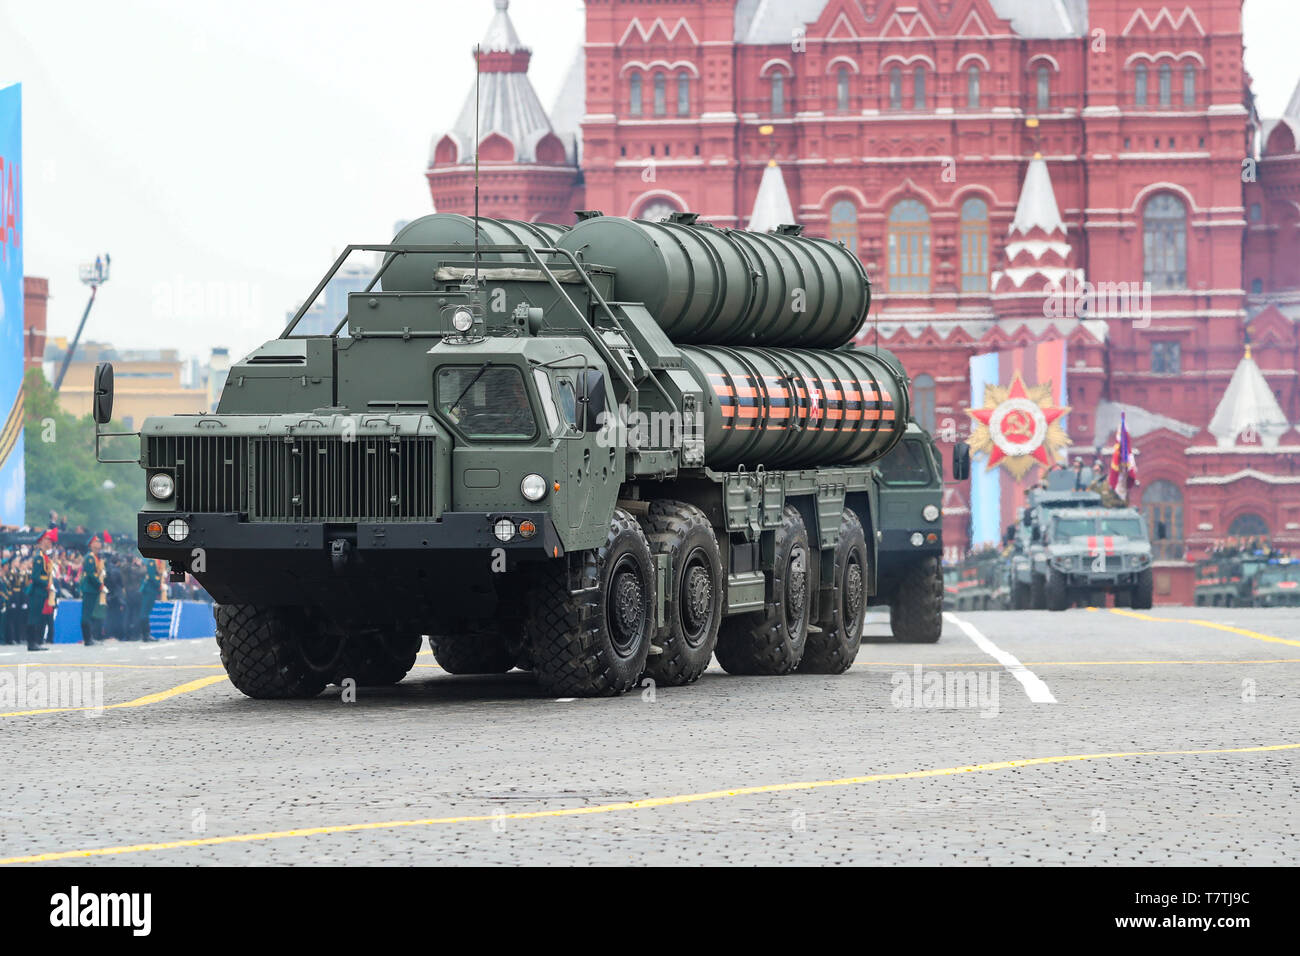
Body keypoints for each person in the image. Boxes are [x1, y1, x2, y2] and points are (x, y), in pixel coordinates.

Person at [25, 529, 57, 651]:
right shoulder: (39, 557)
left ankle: (35, 642)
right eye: (48, 539)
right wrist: (46, 584)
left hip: (42, 591)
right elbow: (35, 576)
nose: (50, 542)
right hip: (37, 591)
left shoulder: (44, 556)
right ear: (42, 541)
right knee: (34, 617)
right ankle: (31, 643)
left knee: (37, 617)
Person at [80, 535, 107, 646]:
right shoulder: (90, 558)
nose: (99, 544)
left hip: (93, 589)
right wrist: (100, 585)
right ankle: (87, 639)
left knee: (89, 614)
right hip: (90, 588)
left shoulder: (96, 557)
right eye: (96, 542)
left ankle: (89, 638)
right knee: (86, 614)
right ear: (91, 544)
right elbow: (91, 575)